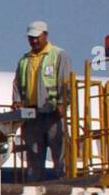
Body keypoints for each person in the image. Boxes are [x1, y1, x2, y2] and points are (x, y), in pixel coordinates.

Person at [12, 20, 72, 181]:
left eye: (37, 37)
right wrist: (17, 102)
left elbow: (66, 82)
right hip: (31, 114)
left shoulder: (58, 55)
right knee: (33, 152)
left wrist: (63, 103)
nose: (34, 41)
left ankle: (62, 180)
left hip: (52, 113)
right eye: (31, 38)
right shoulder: (24, 60)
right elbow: (17, 83)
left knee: (58, 149)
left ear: (45, 35)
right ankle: (34, 186)